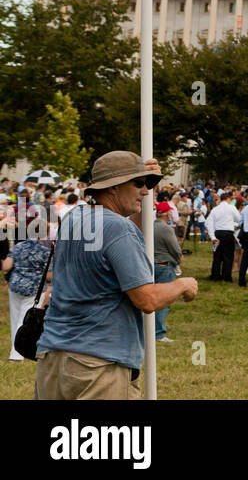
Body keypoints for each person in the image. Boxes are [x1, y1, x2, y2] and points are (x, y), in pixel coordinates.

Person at [35, 152, 199, 400]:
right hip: (99, 364)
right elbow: (147, 299)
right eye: (139, 184)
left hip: (54, 358)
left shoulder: (73, 218)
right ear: (113, 187)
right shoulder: (118, 229)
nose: (145, 192)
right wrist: (183, 284)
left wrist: (145, 182)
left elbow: (118, 229)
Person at [4, 210, 51, 361]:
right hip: (34, 288)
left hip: (16, 285)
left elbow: (7, 266)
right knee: (25, 320)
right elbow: (50, 275)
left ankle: (15, 348)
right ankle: (17, 354)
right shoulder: (45, 251)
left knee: (15, 318)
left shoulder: (18, 247)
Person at [152, 205, 184, 341]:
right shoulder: (166, 228)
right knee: (164, 300)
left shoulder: (149, 226)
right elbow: (175, 248)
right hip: (164, 265)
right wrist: (178, 260)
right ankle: (158, 333)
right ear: (167, 214)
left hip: (150, 265)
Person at [206, 191, 238, 282]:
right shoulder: (232, 208)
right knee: (228, 256)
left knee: (217, 256)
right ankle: (226, 276)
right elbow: (238, 219)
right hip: (228, 233)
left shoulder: (215, 209)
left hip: (218, 233)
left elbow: (208, 223)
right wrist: (233, 223)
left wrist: (212, 236)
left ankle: (215, 275)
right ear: (228, 199)